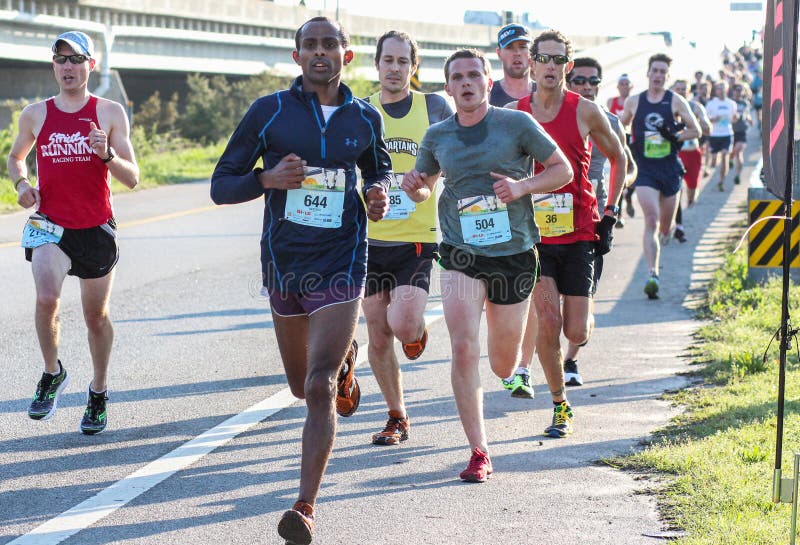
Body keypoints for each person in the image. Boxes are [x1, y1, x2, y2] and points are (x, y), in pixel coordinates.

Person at [209, 17, 392, 545]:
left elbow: (376, 169)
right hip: (285, 264)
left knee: (318, 387)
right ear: (296, 57)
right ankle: (346, 360)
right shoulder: (269, 112)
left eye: (328, 44)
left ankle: (305, 507)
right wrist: (266, 179)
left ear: (346, 55)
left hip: (342, 260)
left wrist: (377, 192)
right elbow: (222, 186)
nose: (319, 53)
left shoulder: (364, 116)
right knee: (299, 386)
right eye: (309, 45)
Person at [402, 48, 571, 481]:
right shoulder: (438, 135)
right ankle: (479, 451)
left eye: (473, 74)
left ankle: (514, 368)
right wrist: (414, 187)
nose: (466, 83)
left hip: (513, 253)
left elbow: (562, 169)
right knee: (462, 345)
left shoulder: (515, 123)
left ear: (488, 78)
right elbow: (425, 188)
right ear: (448, 86)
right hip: (461, 252)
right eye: (457, 77)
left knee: (501, 361)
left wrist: (523, 186)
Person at [7, 30, 139, 435]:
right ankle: (52, 372)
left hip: (96, 227)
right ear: (53, 66)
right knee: (47, 299)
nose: (67, 67)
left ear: (90, 66)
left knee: (94, 317)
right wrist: (22, 185)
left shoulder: (110, 111)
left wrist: (106, 155)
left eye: (75, 59)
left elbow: (132, 178)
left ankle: (98, 391)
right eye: (60, 59)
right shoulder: (36, 114)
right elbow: (15, 157)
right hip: (51, 226)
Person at [505, 34, 625, 436]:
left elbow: (619, 158)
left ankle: (574, 341)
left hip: (579, 234)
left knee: (577, 331)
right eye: (544, 59)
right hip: (533, 236)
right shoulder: (514, 112)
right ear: (532, 64)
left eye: (559, 60)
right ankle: (560, 405)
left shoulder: (586, 111)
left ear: (568, 67)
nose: (551, 66)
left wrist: (610, 212)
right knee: (548, 319)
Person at [362, 30, 453, 446]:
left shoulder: (432, 105)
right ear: (377, 64)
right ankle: (396, 416)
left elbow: (445, 156)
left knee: (402, 323)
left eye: (403, 61)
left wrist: (426, 184)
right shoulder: (362, 111)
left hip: (416, 236)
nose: (394, 68)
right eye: (388, 60)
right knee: (377, 333)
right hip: (369, 239)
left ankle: (415, 331)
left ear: (413, 67)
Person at [558, 56, 636, 387]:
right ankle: (539, 366)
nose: (587, 87)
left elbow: (629, 167)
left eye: (593, 82)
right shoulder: (550, 117)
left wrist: (613, 200)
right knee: (548, 303)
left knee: (580, 310)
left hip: (593, 219)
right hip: (553, 215)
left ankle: (571, 359)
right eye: (580, 81)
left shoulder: (611, 122)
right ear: (567, 80)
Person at [619, 53, 700, 299]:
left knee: (665, 227)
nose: (658, 75)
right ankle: (652, 274)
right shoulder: (634, 101)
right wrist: (621, 147)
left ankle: (666, 234)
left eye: (663, 72)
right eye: (655, 70)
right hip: (645, 169)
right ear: (648, 73)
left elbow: (695, 129)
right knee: (651, 221)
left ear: (667, 76)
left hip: (669, 169)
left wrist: (674, 136)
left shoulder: (675, 101)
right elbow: (620, 127)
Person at [670, 78, 711, 243]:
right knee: (676, 190)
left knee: (692, 190)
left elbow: (707, 127)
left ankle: (690, 199)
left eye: (683, 89)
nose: (680, 91)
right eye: (677, 89)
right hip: (676, 154)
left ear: (688, 91)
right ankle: (678, 226)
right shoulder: (668, 107)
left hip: (693, 153)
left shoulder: (695, 107)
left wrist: (700, 124)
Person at [607, 73, 634, 221]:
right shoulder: (612, 101)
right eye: (622, 83)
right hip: (617, 140)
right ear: (618, 86)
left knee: (634, 175)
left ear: (631, 86)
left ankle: (629, 197)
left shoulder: (635, 102)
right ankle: (619, 213)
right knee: (618, 175)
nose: (624, 86)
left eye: (627, 83)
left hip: (632, 140)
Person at [705, 79, 739, 191]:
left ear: (727, 89)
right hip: (714, 134)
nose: (721, 90)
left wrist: (735, 118)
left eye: (723, 88)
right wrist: (713, 119)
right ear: (716, 91)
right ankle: (710, 167)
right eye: (719, 88)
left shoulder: (731, 104)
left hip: (727, 134)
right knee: (714, 159)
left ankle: (721, 181)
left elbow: (733, 120)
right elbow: (705, 120)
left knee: (725, 156)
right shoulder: (711, 104)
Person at [489, 23, 534, 107]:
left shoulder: (544, 92)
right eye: (509, 47)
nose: (517, 53)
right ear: (499, 54)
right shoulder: (488, 93)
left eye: (522, 47)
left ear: (531, 52)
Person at [730, 82, 752, 186]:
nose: (739, 92)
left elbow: (746, 114)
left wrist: (750, 119)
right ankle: (730, 158)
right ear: (733, 91)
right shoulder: (729, 102)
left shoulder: (745, 103)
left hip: (742, 130)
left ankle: (738, 175)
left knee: (739, 151)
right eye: (737, 90)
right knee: (734, 152)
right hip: (730, 131)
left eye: (740, 90)